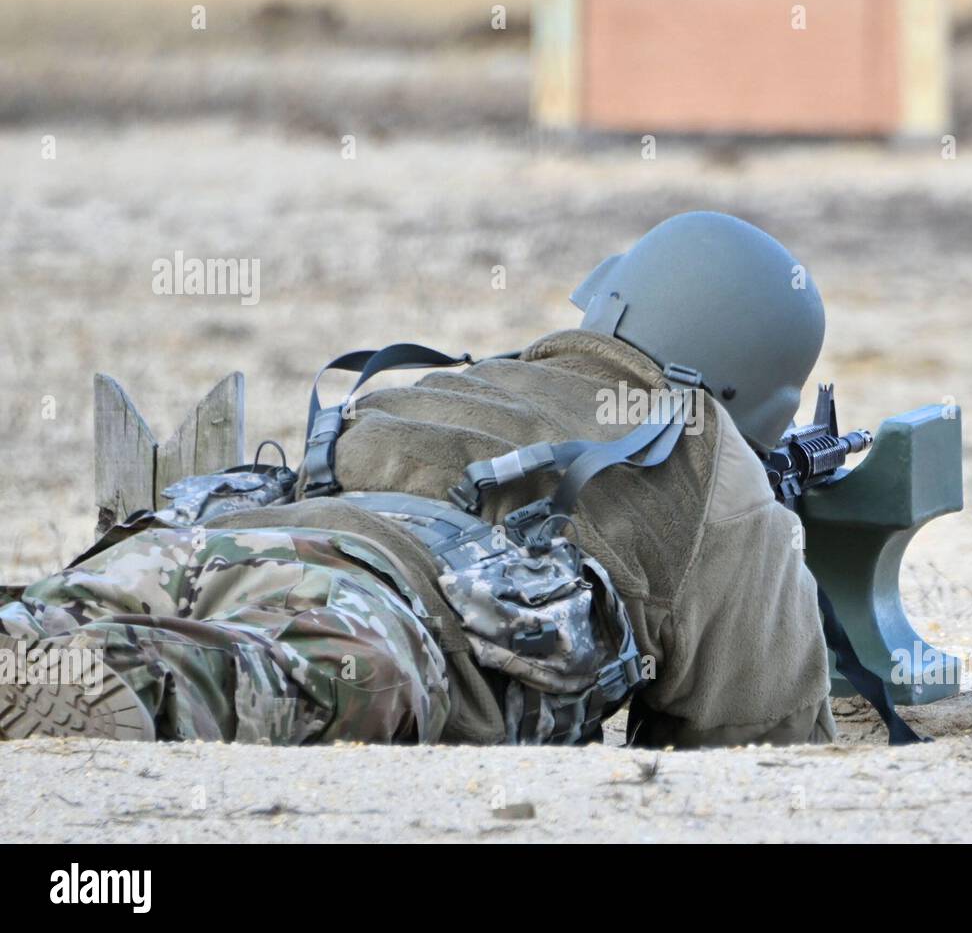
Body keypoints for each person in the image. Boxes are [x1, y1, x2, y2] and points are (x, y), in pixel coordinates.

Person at [0, 211, 835, 748]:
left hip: (213, 546)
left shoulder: (487, 375)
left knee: (53, 616)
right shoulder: (713, 455)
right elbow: (758, 736)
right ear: (764, 391)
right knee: (260, 681)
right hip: (380, 610)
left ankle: (48, 644)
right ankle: (130, 677)